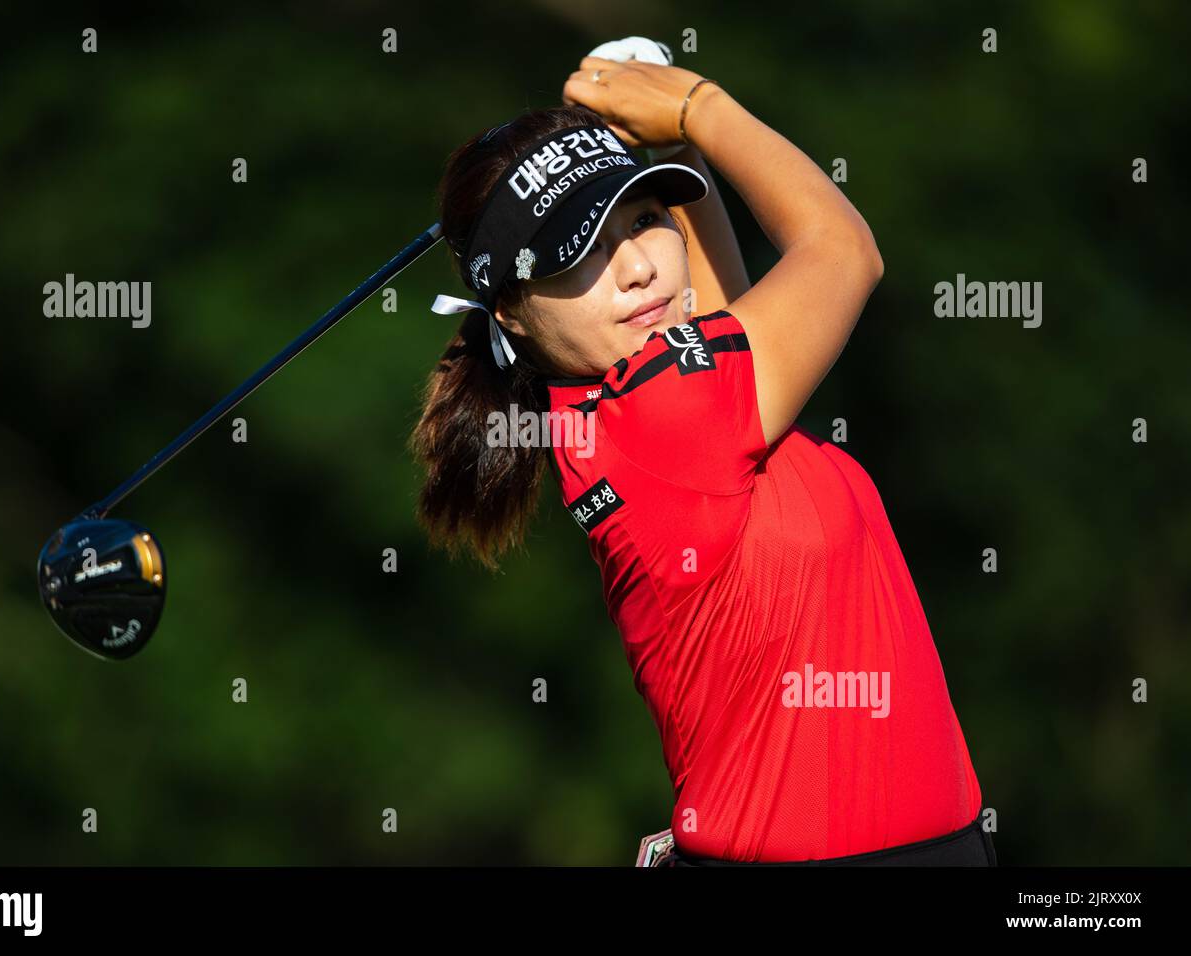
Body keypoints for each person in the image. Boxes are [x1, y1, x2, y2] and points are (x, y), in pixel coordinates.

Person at [410, 56, 994, 866]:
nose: (639, 267)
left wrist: (659, 137)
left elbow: (709, 306)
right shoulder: (661, 409)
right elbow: (846, 251)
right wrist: (696, 105)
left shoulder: (636, 404)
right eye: (579, 253)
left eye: (644, 219)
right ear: (510, 306)